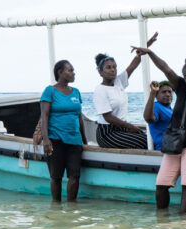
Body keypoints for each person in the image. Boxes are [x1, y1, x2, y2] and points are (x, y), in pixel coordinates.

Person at [132, 48, 186, 213]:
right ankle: (162, 222)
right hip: (176, 143)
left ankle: (184, 226)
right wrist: (150, 52)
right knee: (161, 185)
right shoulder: (181, 86)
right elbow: (165, 68)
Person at [39, 59, 88, 202]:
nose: (74, 73)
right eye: (70, 70)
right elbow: (44, 115)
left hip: (74, 140)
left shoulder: (76, 92)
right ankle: (57, 207)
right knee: (56, 177)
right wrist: (46, 139)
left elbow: (79, 117)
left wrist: (85, 140)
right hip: (55, 139)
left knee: (74, 175)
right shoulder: (50, 91)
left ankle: (72, 208)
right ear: (60, 72)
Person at [92, 51, 145, 149]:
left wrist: (146, 46)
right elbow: (108, 117)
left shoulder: (118, 82)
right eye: (108, 67)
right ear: (100, 72)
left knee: (147, 138)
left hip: (122, 128)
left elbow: (133, 65)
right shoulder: (100, 90)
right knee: (143, 141)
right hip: (107, 133)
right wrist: (130, 126)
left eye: (114, 67)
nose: (112, 70)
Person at [142, 81, 174, 150]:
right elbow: (148, 118)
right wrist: (152, 93)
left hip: (177, 145)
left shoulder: (170, 110)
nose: (168, 94)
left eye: (170, 92)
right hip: (167, 148)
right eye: (164, 92)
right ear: (157, 95)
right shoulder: (156, 107)